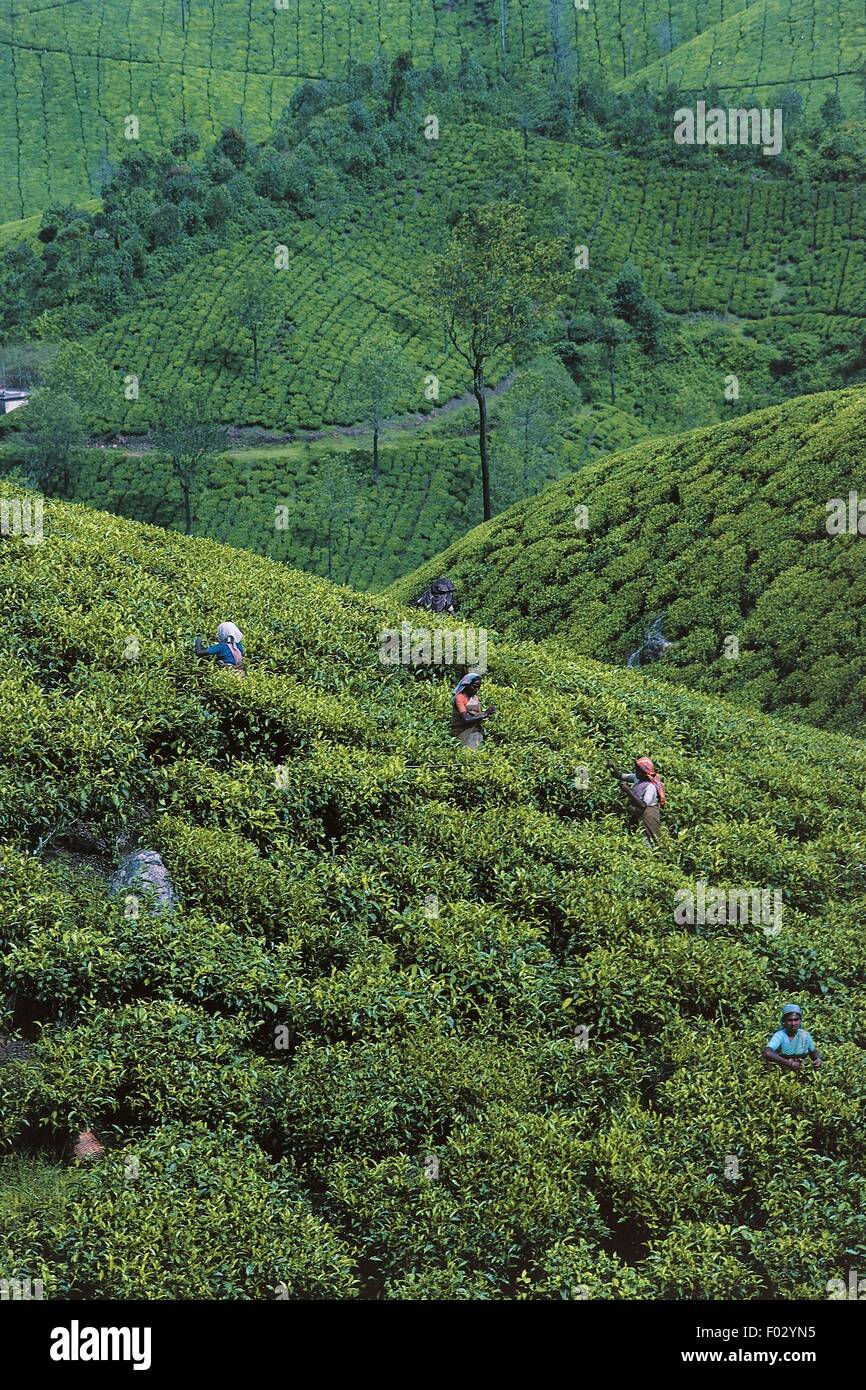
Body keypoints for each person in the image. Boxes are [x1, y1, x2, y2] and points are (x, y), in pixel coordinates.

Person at [608, 756, 666, 846]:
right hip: (637, 813)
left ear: (644, 772)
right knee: (636, 839)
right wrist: (612, 768)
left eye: (637, 770)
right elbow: (619, 775)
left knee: (650, 841)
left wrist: (628, 791)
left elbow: (643, 805)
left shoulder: (650, 787)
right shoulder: (637, 777)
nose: (635, 772)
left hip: (648, 815)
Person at [762, 1004, 821, 1075]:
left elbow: (813, 1051)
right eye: (789, 1020)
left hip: (801, 1072)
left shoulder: (805, 1035)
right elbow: (767, 1052)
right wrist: (790, 1064)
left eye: (796, 1020)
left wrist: (818, 1059)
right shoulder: (780, 1035)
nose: (793, 1023)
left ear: (800, 1020)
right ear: (784, 1022)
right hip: (781, 1072)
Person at [450, 671, 495, 752]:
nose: (476, 689)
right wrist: (485, 714)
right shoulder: (459, 698)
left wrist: (488, 714)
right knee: (466, 752)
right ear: (467, 685)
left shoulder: (475, 698)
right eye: (474, 686)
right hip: (462, 730)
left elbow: (477, 715)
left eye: (478, 687)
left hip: (475, 730)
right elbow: (466, 718)